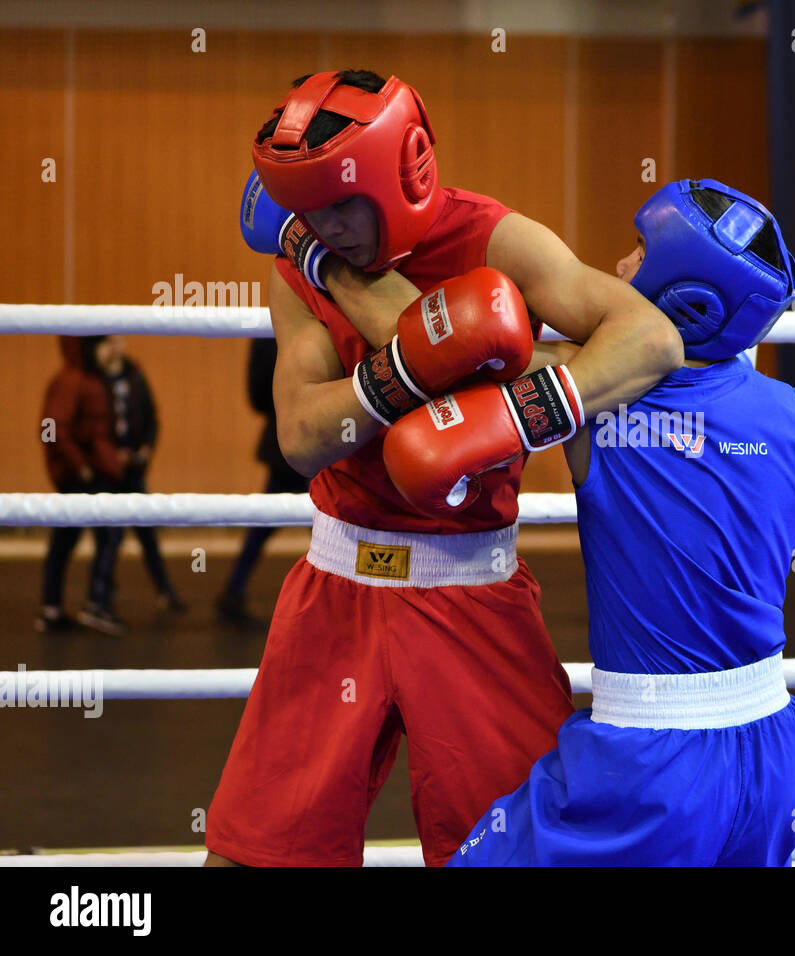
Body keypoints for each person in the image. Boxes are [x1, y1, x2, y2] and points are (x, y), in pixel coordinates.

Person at [204, 69, 682, 867]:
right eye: (306, 207)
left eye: (338, 202)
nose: (324, 225)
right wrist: (408, 374)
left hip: (470, 592)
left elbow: (651, 340)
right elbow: (299, 433)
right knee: (253, 855)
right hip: (336, 591)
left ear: (404, 169)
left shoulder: (495, 240)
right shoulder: (303, 260)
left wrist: (518, 411)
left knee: (521, 851)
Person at [381, 178, 795, 866]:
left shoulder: (595, 400)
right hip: (772, 747)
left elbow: (433, 340)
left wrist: (316, 256)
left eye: (639, 250)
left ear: (687, 296)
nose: (620, 262)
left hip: (651, 756)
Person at [215, 337, 310, 627]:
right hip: (314, 438)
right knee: (327, 522)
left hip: (286, 440)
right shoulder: (319, 315)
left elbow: (257, 397)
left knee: (268, 525)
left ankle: (233, 589)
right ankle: (233, 590)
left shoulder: (268, 333)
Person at [37, 336, 127, 635]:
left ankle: (60, 608)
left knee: (74, 540)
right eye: (105, 344)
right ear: (91, 347)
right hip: (84, 477)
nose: (112, 350)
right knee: (103, 536)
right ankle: (92, 606)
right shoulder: (73, 380)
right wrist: (81, 467)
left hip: (92, 472)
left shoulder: (87, 378)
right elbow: (53, 428)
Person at [96, 335, 186, 613]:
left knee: (146, 533)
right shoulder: (93, 381)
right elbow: (91, 430)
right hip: (106, 471)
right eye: (109, 342)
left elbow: (151, 417)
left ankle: (164, 590)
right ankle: (100, 601)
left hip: (133, 469)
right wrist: (109, 458)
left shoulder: (134, 376)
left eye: (118, 341)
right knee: (110, 538)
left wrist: (146, 449)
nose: (116, 347)